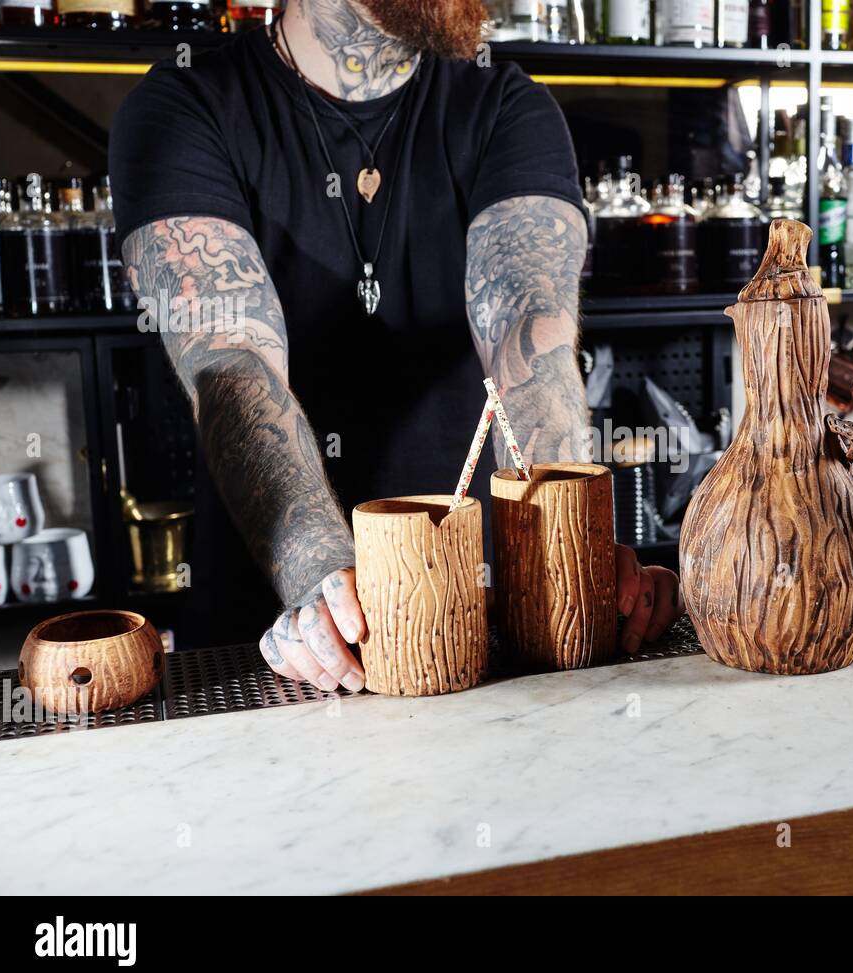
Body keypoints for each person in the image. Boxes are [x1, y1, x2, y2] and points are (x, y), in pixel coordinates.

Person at [110, 0, 681, 691]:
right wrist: (329, 589)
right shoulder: (187, 102)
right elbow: (233, 365)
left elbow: (530, 340)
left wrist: (570, 554)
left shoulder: (503, 104)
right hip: (285, 647)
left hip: (482, 620)